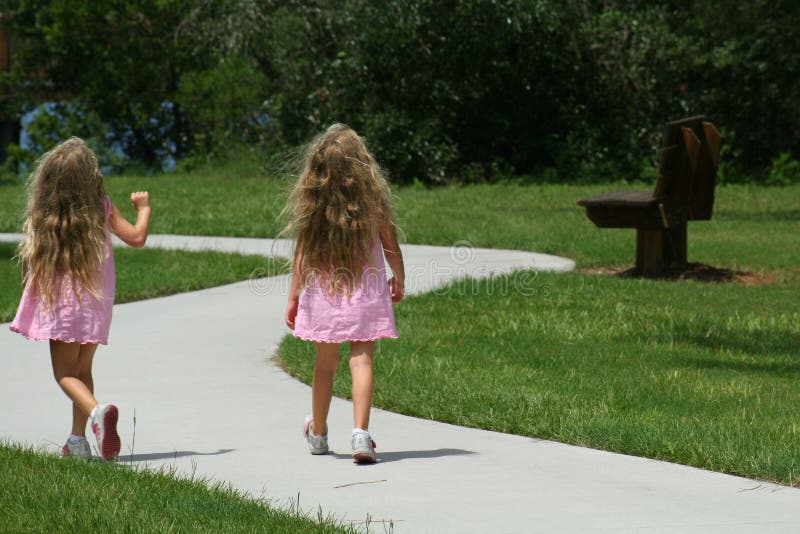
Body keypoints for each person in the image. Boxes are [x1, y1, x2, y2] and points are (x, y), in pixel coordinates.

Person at [10, 137, 151, 461]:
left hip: (61, 307)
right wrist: (143, 210)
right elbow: (136, 237)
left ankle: (96, 412)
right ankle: (77, 443)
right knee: (82, 370)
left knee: (64, 375)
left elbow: (33, 260)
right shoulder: (100, 205)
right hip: (94, 304)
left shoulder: (45, 211)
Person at [283, 124, 405, 464]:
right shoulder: (373, 202)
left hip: (324, 296)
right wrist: (400, 276)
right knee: (362, 360)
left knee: (325, 366)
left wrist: (293, 297)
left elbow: (302, 256)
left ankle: (318, 434)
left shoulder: (315, 205)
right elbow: (390, 244)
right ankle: (361, 435)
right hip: (365, 296)